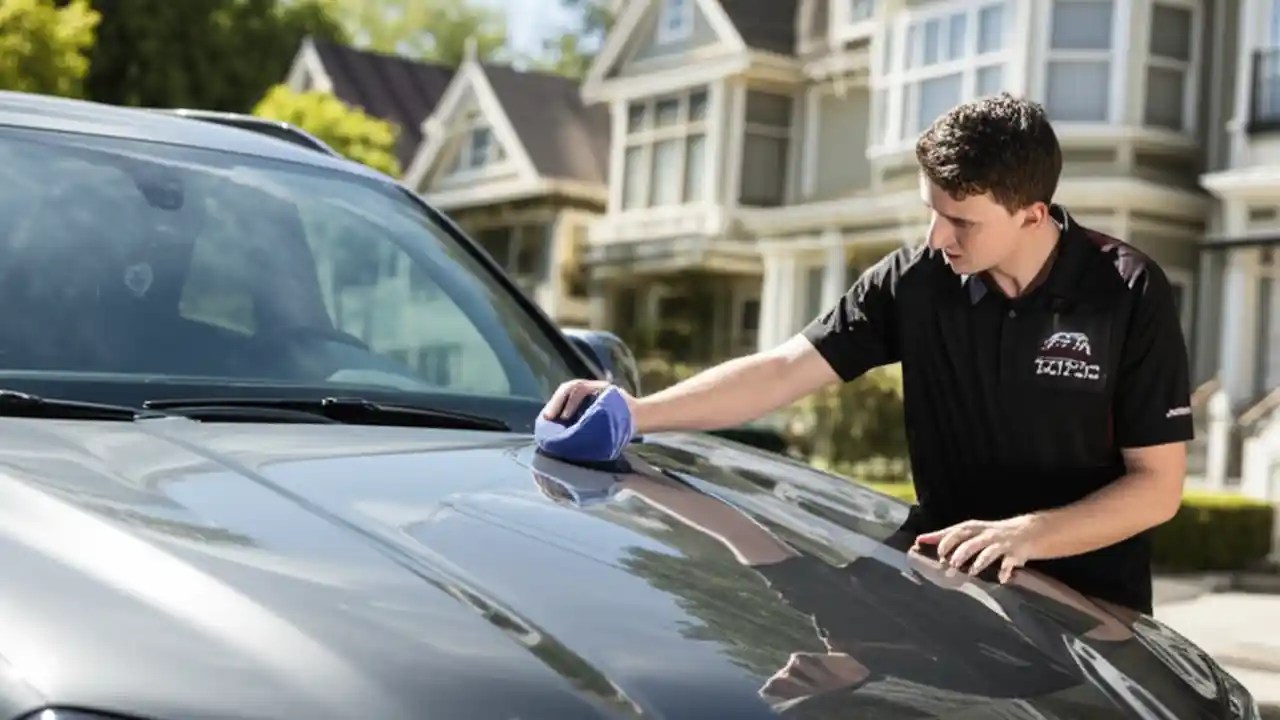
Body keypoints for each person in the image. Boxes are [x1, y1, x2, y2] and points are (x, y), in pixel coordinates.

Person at [540, 93, 1193, 616]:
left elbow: (1157, 488)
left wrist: (1025, 536)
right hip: (939, 588)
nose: (937, 236)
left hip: (1092, 615)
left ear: (1031, 215)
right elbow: (785, 368)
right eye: (931, 211)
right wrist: (638, 411)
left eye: (961, 220)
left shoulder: (1126, 291)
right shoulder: (916, 281)